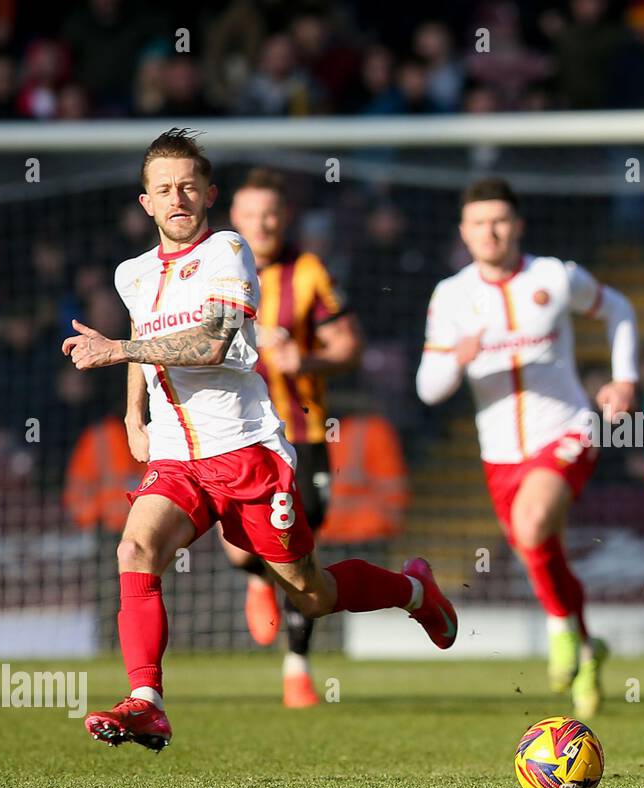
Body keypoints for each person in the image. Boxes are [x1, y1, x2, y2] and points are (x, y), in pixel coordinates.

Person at [61, 128, 456, 752]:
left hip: (247, 454)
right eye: (163, 189)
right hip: (177, 458)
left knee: (312, 593)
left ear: (209, 193)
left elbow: (213, 344)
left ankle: (413, 590)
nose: (177, 197)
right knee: (134, 548)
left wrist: (118, 350)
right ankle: (146, 701)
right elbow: (142, 341)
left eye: (188, 185)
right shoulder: (131, 275)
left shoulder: (227, 250)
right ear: (145, 203)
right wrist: (135, 414)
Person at [416, 177, 637, 719]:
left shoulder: (553, 277)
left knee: (534, 524)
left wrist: (624, 379)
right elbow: (428, 388)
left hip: (567, 429)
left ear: (518, 225)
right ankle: (587, 650)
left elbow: (620, 310)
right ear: (464, 233)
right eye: (478, 223)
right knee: (542, 550)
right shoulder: (451, 296)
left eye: (500, 220)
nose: (490, 232)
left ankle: (560, 629)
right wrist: (457, 358)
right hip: (500, 455)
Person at [220, 167, 363, 709]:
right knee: (241, 553)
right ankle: (257, 577)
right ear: (234, 218)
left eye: (271, 214)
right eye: (251, 214)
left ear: (286, 217)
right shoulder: (209, 273)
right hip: (231, 431)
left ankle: (297, 668)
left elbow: (349, 345)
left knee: (301, 552)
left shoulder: (308, 272)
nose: (262, 223)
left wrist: (306, 359)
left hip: (300, 432)